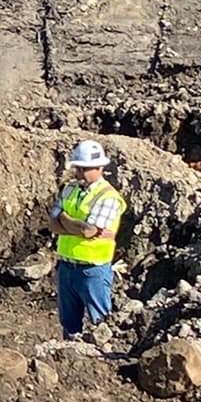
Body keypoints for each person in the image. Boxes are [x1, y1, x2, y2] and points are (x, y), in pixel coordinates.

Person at [51, 138, 127, 336]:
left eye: (84, 169)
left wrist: (64, 218)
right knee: (69, 325)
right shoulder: (70, 189)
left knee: (100, 324)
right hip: (67, 266)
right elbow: (53, 224)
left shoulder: (108, 197)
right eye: (78, 168)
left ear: (99, 168)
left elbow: (88, 231)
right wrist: (75, 225)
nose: (79, 173)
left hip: (93, 270)